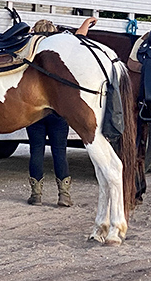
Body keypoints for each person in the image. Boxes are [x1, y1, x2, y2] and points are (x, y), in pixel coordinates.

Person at [25, 16, 98, 207]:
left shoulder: (31, 49)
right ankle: (63, 195)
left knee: (36, 150)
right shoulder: (59, 50)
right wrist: (86, 23)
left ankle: (36, 195)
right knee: (59, 151)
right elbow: (79, 37)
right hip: (58, 111)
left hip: (35, 110)